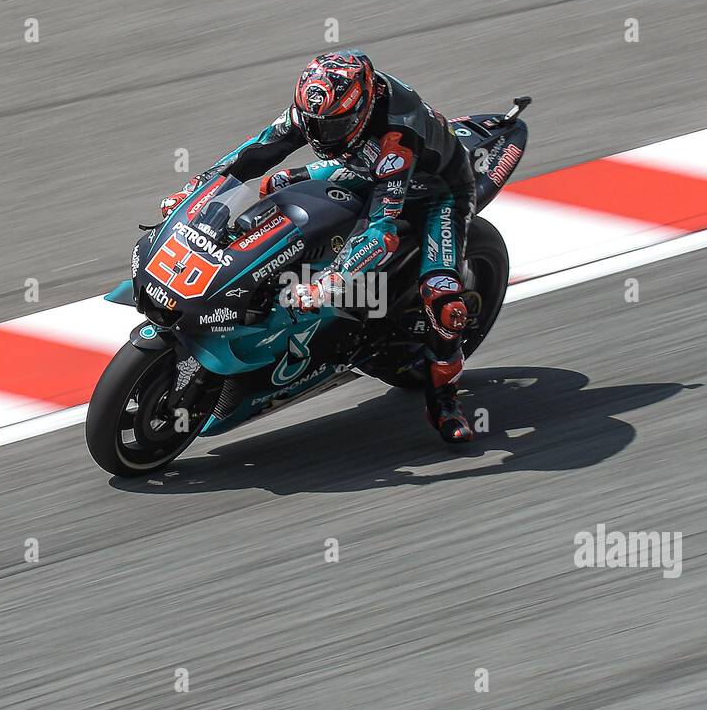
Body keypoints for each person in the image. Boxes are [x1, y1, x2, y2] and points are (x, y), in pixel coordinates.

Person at [160, 50, 476, 443]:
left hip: (434, 192)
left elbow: (382, 230)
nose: (319, 136)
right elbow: (253, 153)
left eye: (334, 125)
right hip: (365, 166)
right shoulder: (320, 111)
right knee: (271, 184)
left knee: (444, 300)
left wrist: (330, 282)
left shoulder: (397, 137)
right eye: (314, 125)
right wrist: (197, 192)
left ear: (363, 108)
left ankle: (444, 399)